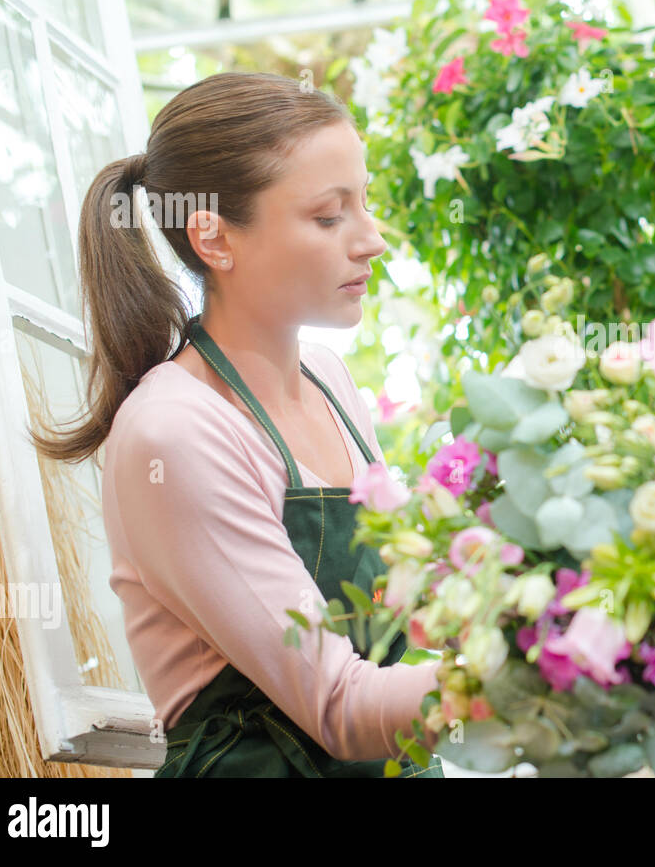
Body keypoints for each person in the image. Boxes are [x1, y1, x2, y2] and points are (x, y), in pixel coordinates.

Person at [30, 71, 447, 777]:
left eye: (365, 203)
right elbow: (341, 707)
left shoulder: (332, 381)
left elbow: (405, 600)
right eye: (328, 217)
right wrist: (524, 685)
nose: (372, 239)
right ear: (215, 239)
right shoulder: (177, 429)